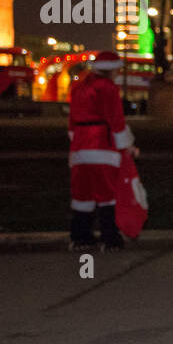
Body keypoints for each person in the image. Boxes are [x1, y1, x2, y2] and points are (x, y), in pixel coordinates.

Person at [68, 51, 137, 251]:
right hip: (102, 145)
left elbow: (72, 121)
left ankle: (80, 237)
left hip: (80, 146)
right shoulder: (108, 88)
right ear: (111, 69)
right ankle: (110, 239)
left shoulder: (79, 87)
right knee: (107, 194)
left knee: (82, 195)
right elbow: (116, 119)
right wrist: (126, 145)